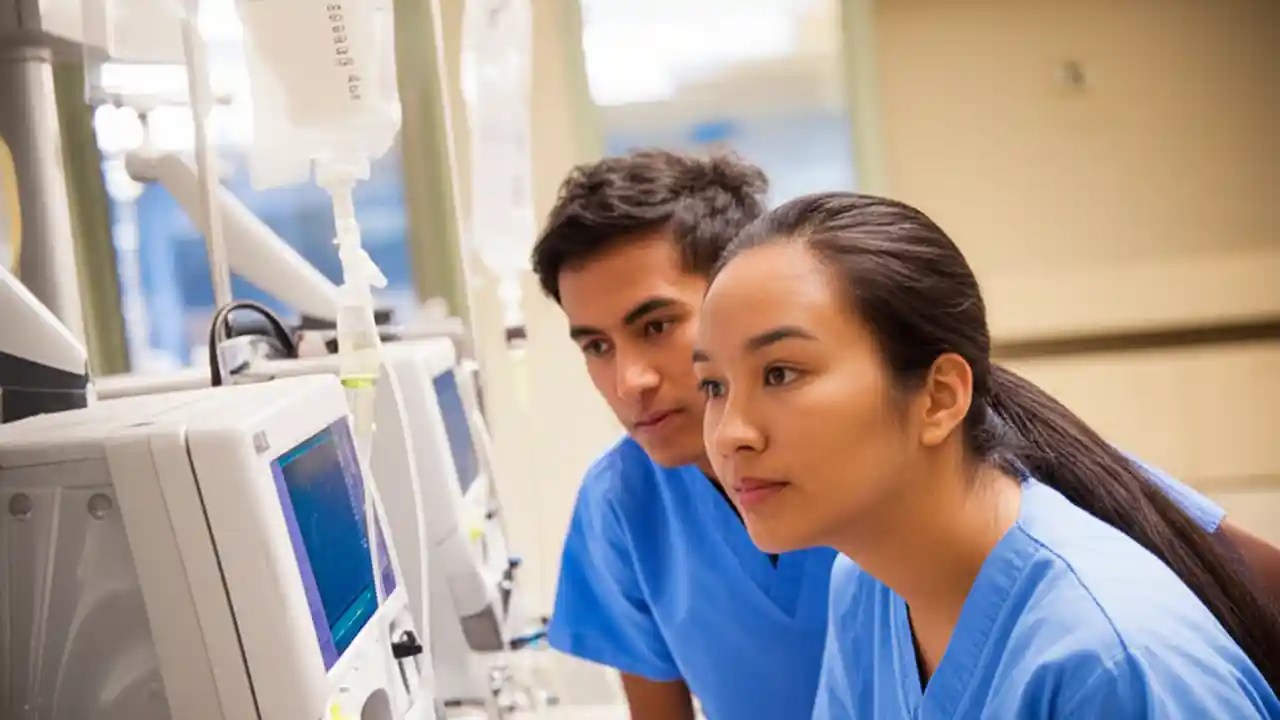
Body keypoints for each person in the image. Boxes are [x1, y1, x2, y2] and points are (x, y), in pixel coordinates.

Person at [531, 151, 1278, 719]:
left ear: (940, 396)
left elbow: (1214, 564)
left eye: (782, 373)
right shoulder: (873, 588)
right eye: (718, 385)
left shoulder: (1111, 655)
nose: (733, 434)